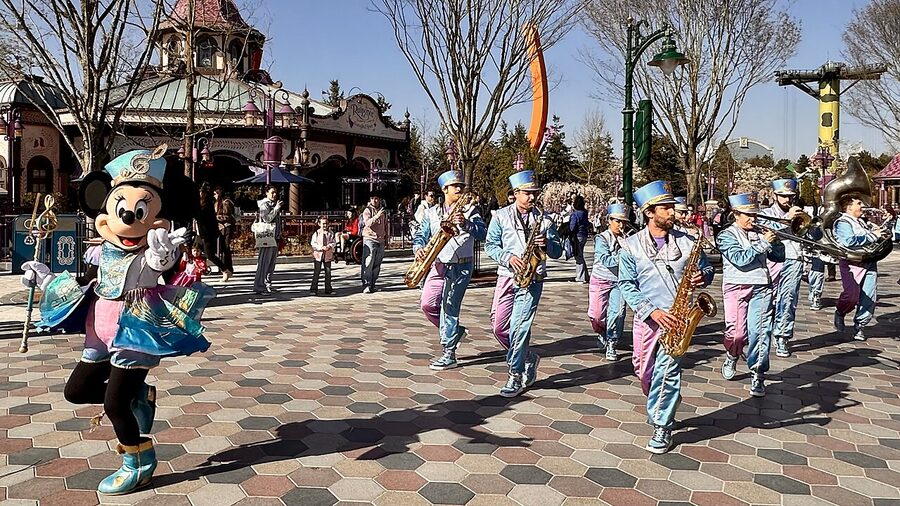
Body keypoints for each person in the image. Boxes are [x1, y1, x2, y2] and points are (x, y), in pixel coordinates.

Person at [21, 146, 211, 495]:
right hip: (98, 334)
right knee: (76, 391)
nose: (128, 219)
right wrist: (45, 279)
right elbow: (85, 284)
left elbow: (159, 267)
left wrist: (162, 255)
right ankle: (139, 394)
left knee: (114, 404)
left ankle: (138, 463)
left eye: (141, 211)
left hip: (133, 334)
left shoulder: (155, 250)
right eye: (120, 208)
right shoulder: (101, 250)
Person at [618, 180, 714, 454]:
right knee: (644, 372)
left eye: (673, 207)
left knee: (667, 372)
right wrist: (652, 311)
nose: (673, 212)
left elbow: (707, 269)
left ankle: (662, 424)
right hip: (648, 319)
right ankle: (664, 401)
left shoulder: (689, 241)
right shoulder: (630, 246)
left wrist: (703, 276)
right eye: (666, 208)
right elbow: (626, 284)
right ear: (649, 212)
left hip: (679, 319)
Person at [485, 170, 562, 397]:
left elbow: (558, 251)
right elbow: (490, 245)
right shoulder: (500, 216)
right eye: (527, 193)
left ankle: (515, 374)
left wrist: (547, 243)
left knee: (519, 327)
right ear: (516, 193)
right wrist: (508, 258)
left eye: (534, 193)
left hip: (533, 279)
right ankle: (528, 357)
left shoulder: (546, 219)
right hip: (507, 275)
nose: (532, 197)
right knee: (499, 327)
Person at [414, 170, 487, 370]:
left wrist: (467, 224)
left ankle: (449, 352)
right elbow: (421, 235)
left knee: (450, 307)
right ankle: (455, 332)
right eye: (455, 186)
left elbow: (483, 233)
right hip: (438, 263)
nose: (459, 189)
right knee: (427, 304)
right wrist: (418, 248)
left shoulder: (471, 210)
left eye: (461, 186)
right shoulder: (432, 212)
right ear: (444, 189)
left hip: (460, 265)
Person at [716, 193, 785, 397]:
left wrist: (776, 242)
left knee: (761, 332)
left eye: (755, 215)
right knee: (737, 334)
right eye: (748, 215)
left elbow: (779, 257)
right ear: (736, 214)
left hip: (762, 286)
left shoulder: (760, 232)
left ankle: (758, 373)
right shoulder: (726, 235)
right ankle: (733, 354)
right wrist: (763, 243)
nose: (753, 219)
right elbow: (740, 259)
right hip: (736, 286)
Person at [758, 178, 804, 357]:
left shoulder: (800, 213)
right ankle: (762, 334)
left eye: (790, 196)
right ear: (775, 195)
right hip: (772, 260)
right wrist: (787, 218)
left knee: (789, 299)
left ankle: (783, 335)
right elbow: (767, 231)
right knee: (767, 299)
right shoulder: (766, 213)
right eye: (783, 196)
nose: (787, 200)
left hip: (793, 258)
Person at [833, 194, 888, 341]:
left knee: (869, 296)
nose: (862, 206)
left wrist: (882, 228)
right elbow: (848, 241)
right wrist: (873, 236)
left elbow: (875, 234)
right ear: (849, 207)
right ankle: (840, 312)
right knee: (851, 295)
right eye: (858, 203)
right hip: (851, 263)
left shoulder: (862, 222)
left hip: (869, 261)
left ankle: (860, 326)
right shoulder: (843, 222)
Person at [589, 203, 629, 361]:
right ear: (609, 221)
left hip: (620, 280)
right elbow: (606, 259)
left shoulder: (627, 239)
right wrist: (623, 254)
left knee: (618, 312)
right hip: (600, 279)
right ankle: (602, 332)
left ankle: (612, 341)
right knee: (596, 315)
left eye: (623, 222)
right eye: (617, 221)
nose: (621, 225)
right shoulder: (602, 238)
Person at [196, 183, 232, 280]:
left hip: (208, 232)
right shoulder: (198, 203)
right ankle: (199, 270)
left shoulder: (207, 204)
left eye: (203, 193)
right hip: (199, 232)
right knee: (195, 250)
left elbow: (205, 217)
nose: (201, 194)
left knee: (209, 254)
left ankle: (225, 270)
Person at [253, 185, 283, 295]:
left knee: (271, 263)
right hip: (267, 236)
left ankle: (267, 284)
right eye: (272, 192)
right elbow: (266, 219)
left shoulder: (273, 204)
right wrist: (276, 209)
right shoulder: (264, 204)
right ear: (266, 193)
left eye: (275, 192)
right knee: (264, 263)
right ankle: (259, 286)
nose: (275, 194)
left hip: (274, 237)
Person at [361, 192, 389, 293]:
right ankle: (367, 284)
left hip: (380, 239)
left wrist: (386, 238)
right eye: (372, 198)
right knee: (368, 262)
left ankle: (373, 284)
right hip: (370, 239)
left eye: (376, 198)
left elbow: (386, 225)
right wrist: (377, 216)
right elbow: (367, 223)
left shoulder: (383, 211)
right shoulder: (367, 210)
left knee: (377, 263)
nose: (375, 200)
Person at [213, 187, 236, 282]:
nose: (214, 196)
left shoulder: (226, 202)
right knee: (222, 248)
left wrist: (216, 217)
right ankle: (225, 268)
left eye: (215, 194)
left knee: (225, 248)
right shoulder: (216, 203)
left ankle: (228, 268)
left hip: (226, 227)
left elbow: (227, 215)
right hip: (220, 227)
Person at [309, 216, 335, 295]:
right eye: (323, 224)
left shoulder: (330, 233)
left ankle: (328, 289)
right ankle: (313, 289)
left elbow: (333, 242)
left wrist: (329, 246)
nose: (325, 225)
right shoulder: (316, 233)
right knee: (316, 272)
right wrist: (321, 247)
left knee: (328, 272)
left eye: (326, 223)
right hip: (318, 256)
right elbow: (313, 243)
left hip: (327, 255)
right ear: (319, 224)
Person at [569, 195, 590, 283]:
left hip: (577, 236)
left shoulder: (575, 214)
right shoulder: (585, 213)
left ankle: (580, 277)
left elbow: (572, 227)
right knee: (580, 255)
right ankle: (586, 276)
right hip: (584, 235)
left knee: (578, 257)